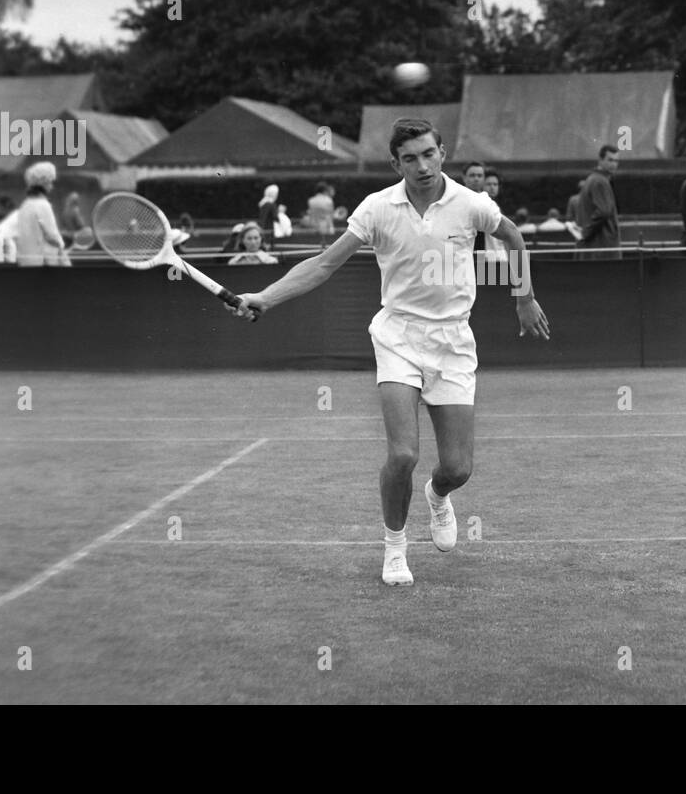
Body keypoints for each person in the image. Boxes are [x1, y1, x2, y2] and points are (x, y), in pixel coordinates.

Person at [229, 117, 550, 587]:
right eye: (410, 158)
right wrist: (266, 297)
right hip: (398, 337)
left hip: (453, 343)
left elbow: (513, 236)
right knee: (402, 455)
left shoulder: (470, 204)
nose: (422, 166)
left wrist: (523, 297)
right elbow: (323, 264)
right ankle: (395, 548)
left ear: (442, 153)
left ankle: (438, 496)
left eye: (429, 154)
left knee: (458, 469)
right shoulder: (376, 208)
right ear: (394, 163)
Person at [15, 161, 66, 267]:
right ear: (44, 183)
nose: (52, 186)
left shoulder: (25, 205)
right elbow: (52, 236)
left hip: (24, 264)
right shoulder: (43, 205)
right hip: (42, 267)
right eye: (50, 182)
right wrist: (61, 248)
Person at [577, 145, 621, 256]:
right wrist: (586, 232)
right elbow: (604, 212)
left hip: (596, 247)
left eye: (616, 161)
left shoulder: (593, 179)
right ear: (600, 160)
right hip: (603, 248)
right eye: (610, 160)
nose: (613, 164)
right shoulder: (600, 181)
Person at [257, 185, 279, 250]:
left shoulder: (263, 203)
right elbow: (275, 217)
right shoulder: (271, 204)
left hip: (263, 228)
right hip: (269, 230)